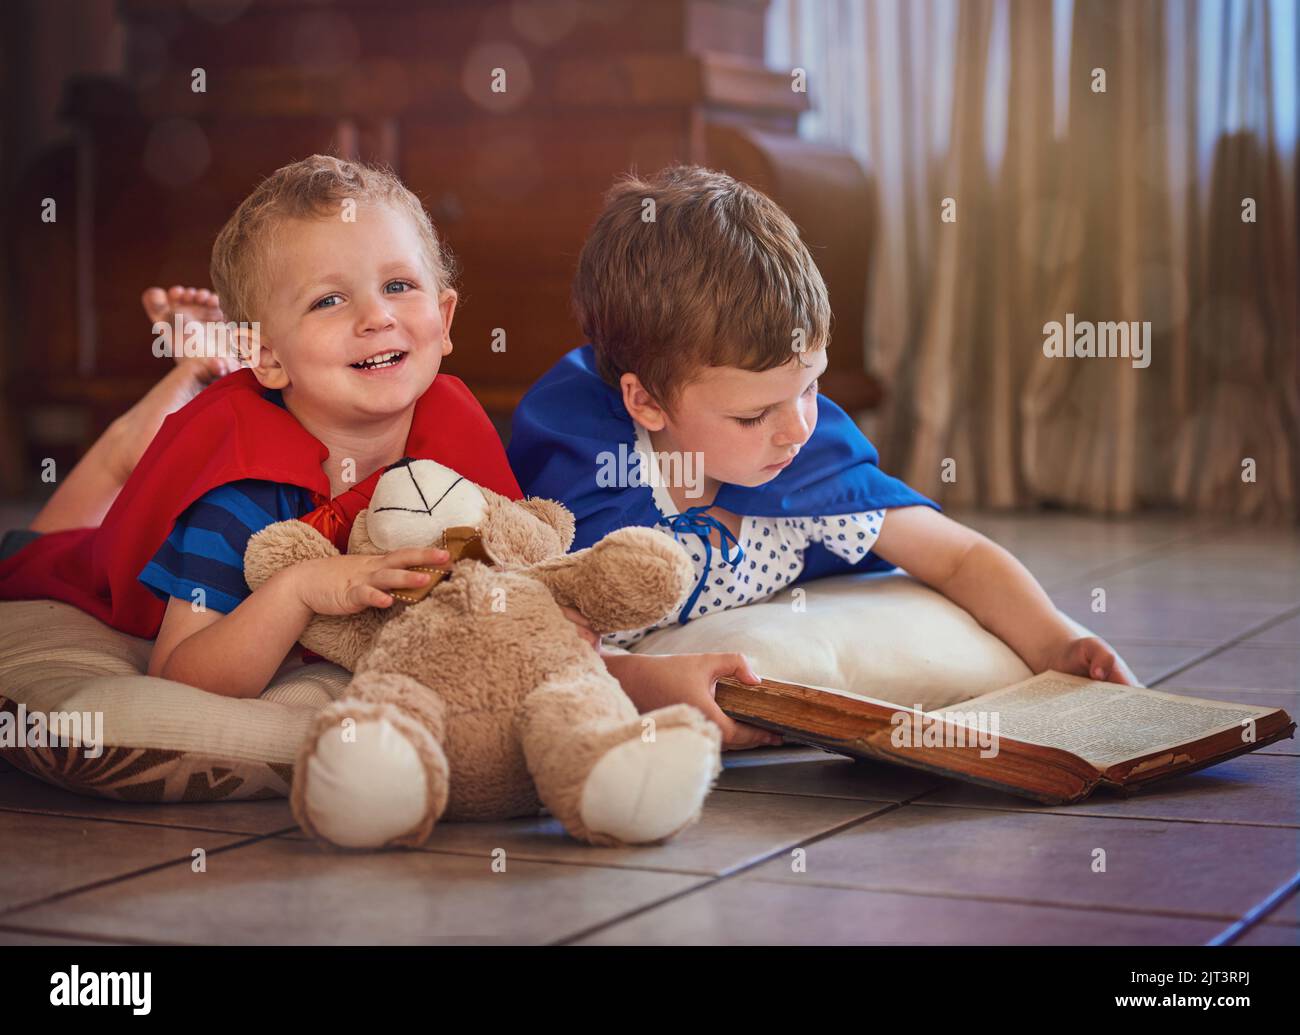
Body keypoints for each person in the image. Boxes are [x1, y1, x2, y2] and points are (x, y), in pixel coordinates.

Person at [508, 165, 1139, 748]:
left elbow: (958, 555)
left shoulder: (805, 443)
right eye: (753, 415)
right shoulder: (584, 475)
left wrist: (1058, 643)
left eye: (811, 385)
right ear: (646, 403)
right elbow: (534, 641)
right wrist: (646, 684)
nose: (796, 429)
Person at [0, 156, 527, 699]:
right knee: (38, 548)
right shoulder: (243, 489)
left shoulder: (455, 432)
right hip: (82, 564)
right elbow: (179, 672)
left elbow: (524, 566)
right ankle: (173, 396)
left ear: (444, 319)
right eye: (329, 300)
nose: (377, 317)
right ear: (268, 356)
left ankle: (194, 376)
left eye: (398, 285)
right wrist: (297, 590)